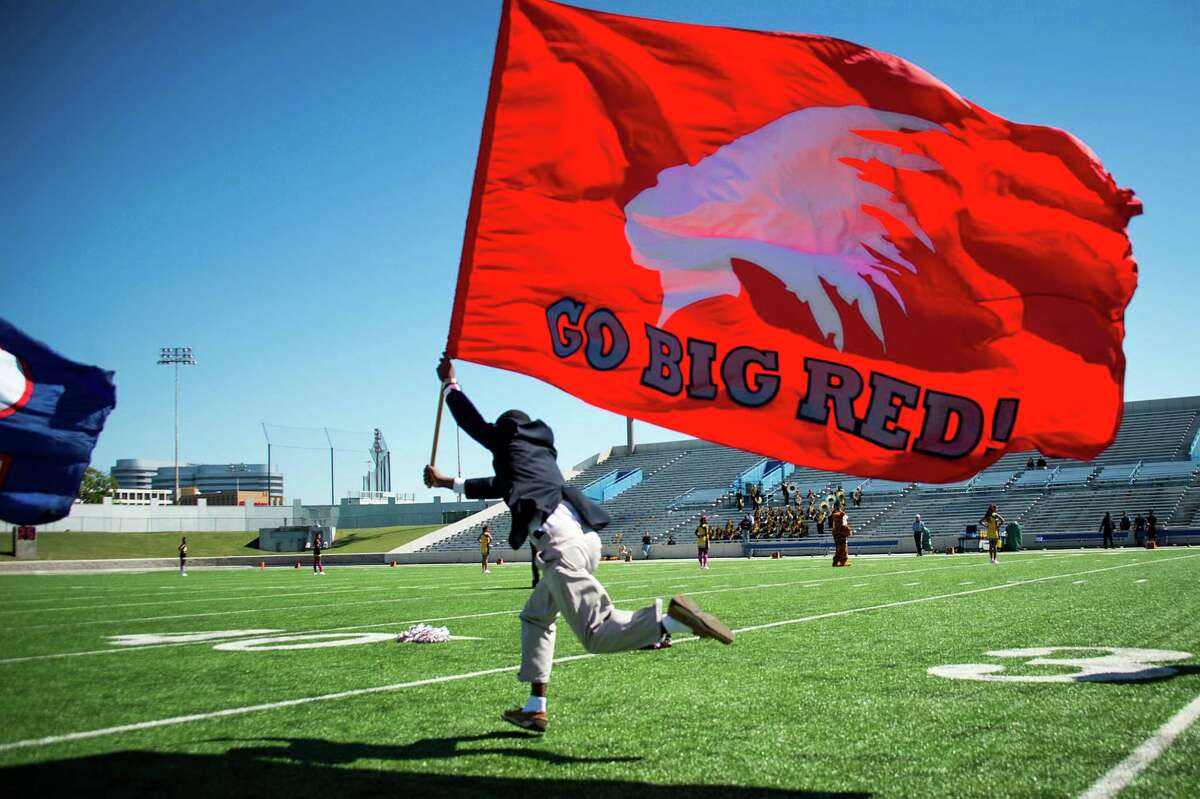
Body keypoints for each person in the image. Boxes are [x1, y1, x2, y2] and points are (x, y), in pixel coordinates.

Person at [424, 356, 732, 733]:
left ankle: (670, 622)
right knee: (536, 617)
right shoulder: (538, 460)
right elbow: (493, 486)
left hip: (558, 545)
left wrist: (450, 384)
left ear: (508, 435)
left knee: (597, 635)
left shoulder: (510, 450)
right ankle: (536, 705)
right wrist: (446, 484)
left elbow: (473, 425)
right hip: (582, 539)